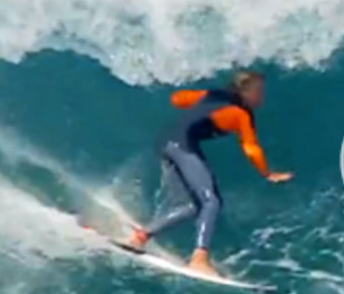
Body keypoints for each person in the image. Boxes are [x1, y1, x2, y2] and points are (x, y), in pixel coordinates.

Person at [122, 70, 292, 274]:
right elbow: (251, 147)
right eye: (258, 91)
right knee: (212, 201)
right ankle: (199, 259)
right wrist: (267, 173)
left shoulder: (213, 95)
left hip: (164, 141)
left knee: (190, 206)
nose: (261, 96)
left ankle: (141, 236)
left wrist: (195, 104)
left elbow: (178, 99)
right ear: (245, 92)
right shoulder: (240, 114)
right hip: (183, 146)